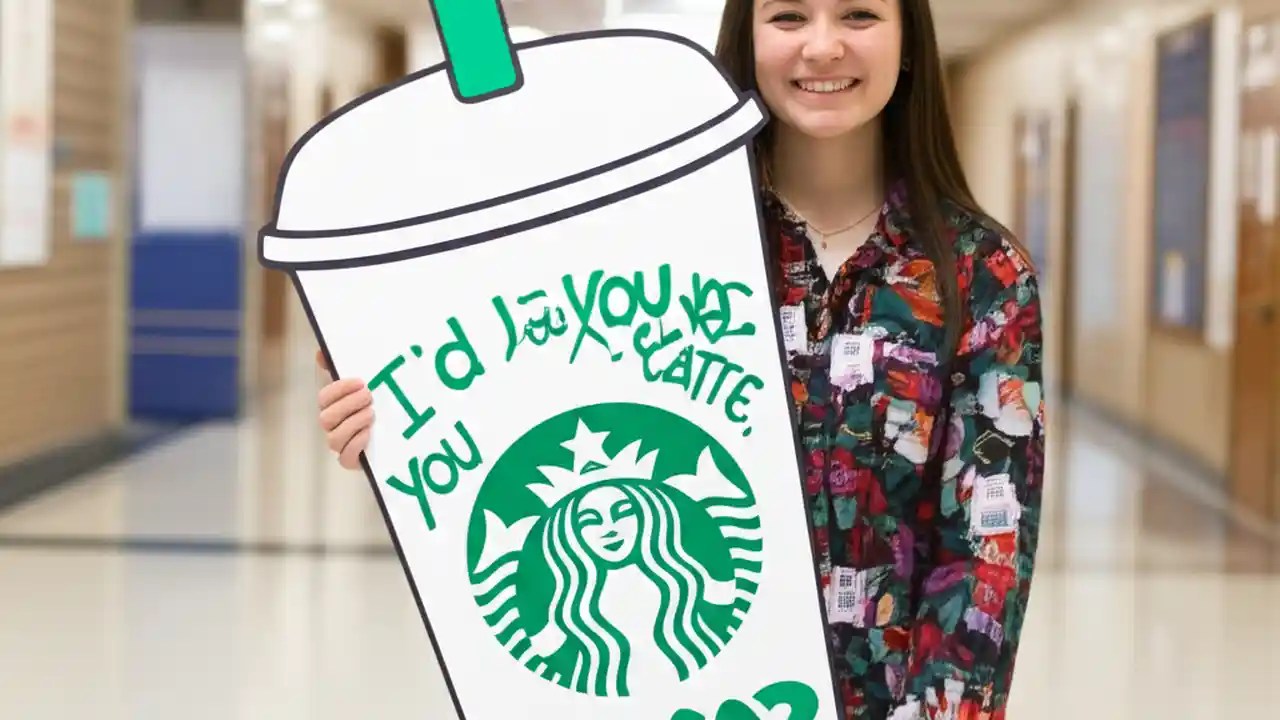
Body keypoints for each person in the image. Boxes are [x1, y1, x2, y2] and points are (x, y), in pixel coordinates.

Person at [315, 0, 1046, 718]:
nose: (822, 47)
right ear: (746, 38)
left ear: (908, 39)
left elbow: (987, 545)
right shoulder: (669, 244)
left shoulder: (981, 273)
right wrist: (393, 411)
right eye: (788, 18)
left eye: (859, 15)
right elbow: (544, 387)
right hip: (689, 694)